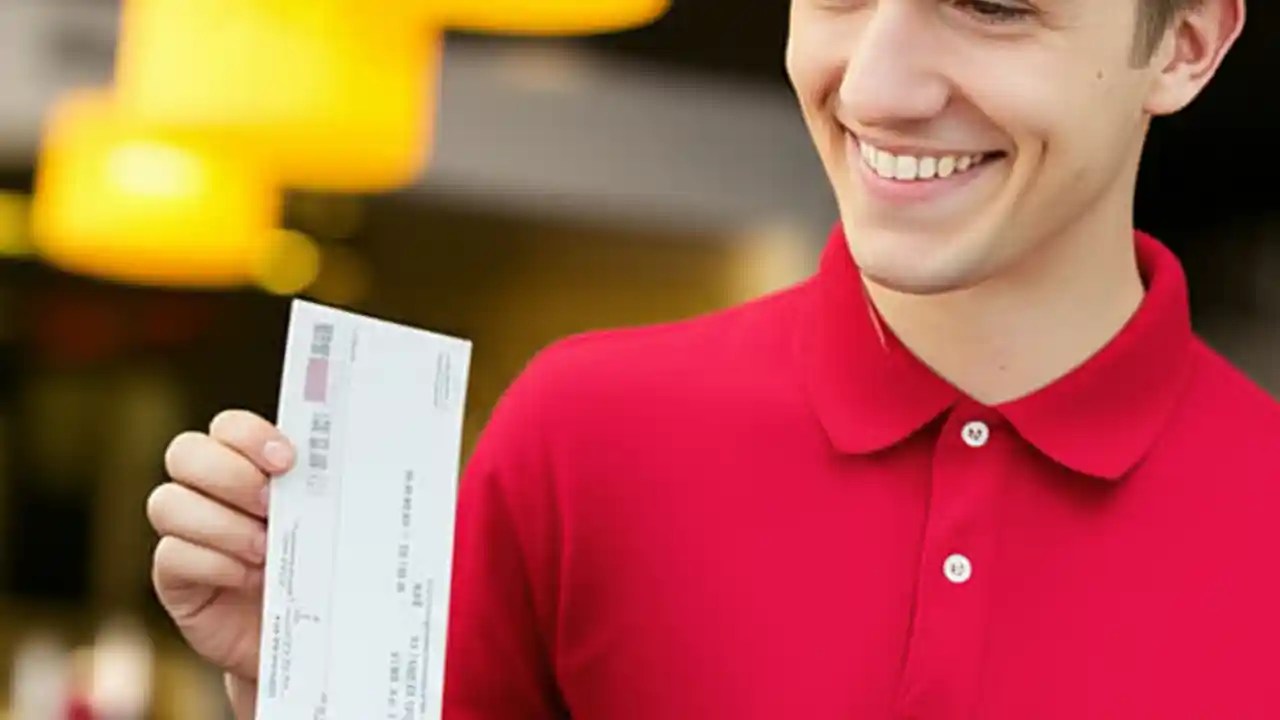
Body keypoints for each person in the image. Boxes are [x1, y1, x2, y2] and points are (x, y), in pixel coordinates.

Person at [147, 0, 1274, 716]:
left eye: (990, 6)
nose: (874, 88)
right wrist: (304, 681)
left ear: (1183, 43)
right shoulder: (583, 433)